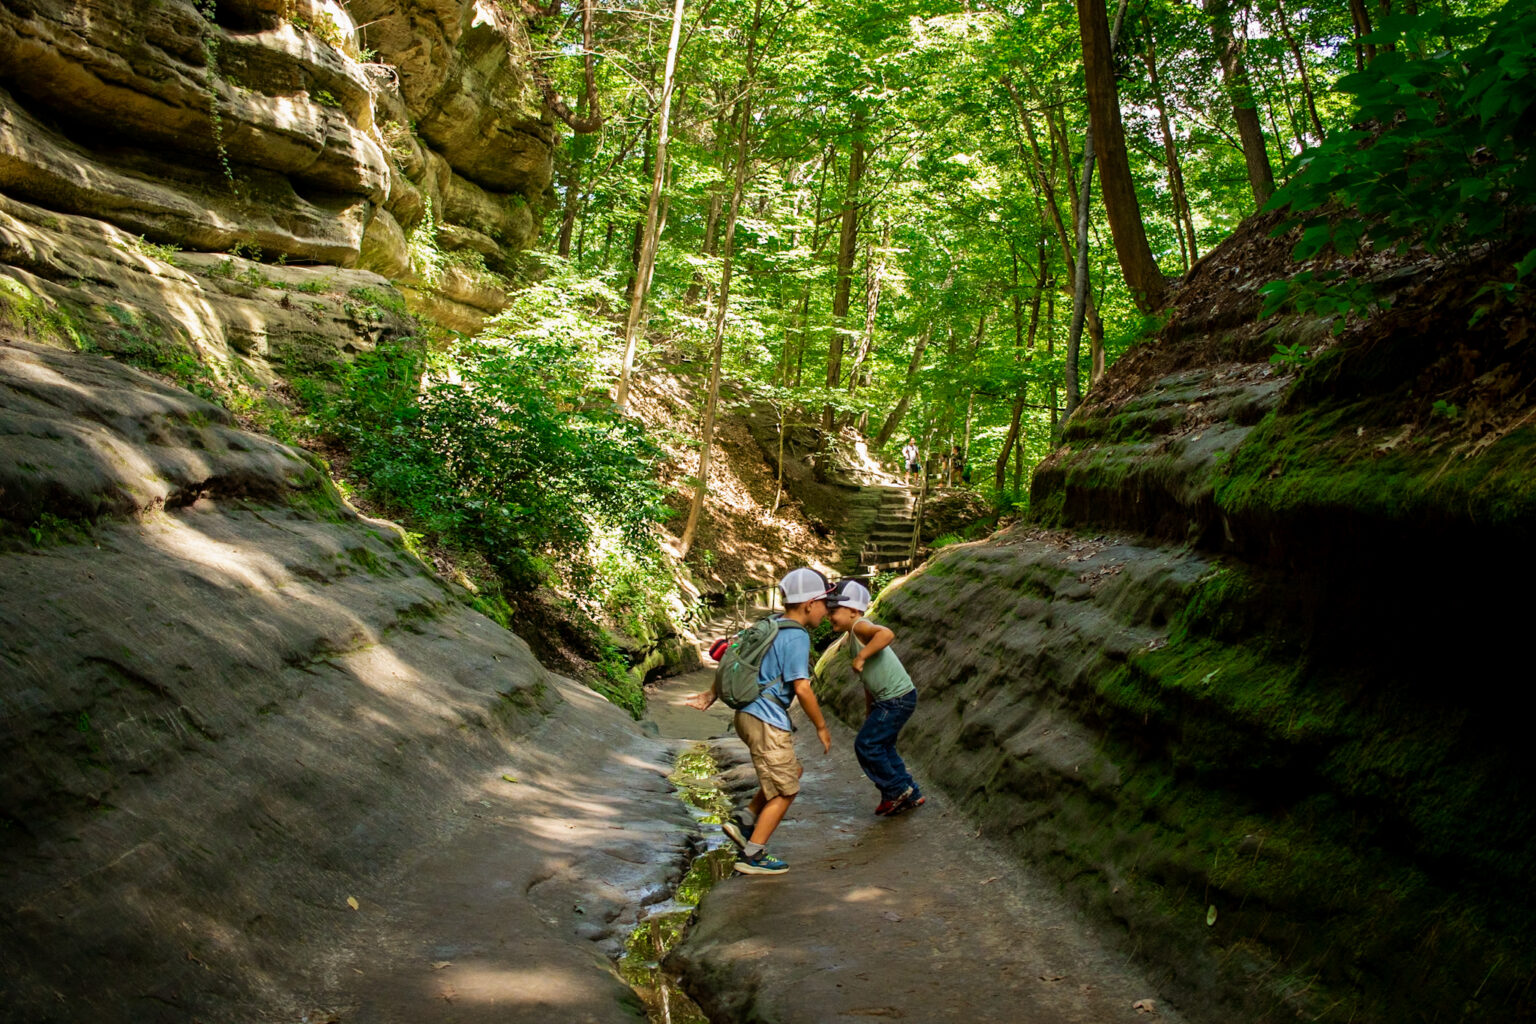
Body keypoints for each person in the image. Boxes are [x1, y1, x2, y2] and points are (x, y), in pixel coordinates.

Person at [685, 568, 834, 874]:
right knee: (786, 790)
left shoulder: (770, 624)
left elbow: (733, 658)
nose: (827, 609)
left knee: (791, 771)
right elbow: (802, 687)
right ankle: (753, 854)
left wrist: (712, 693)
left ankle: (745, 820)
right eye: (824, 602)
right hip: (767, 719)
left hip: (747, 715)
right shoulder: (797, 636)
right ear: (809, 604)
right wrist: (821, 726)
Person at [825, 579, 924, 816]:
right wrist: (871, 709)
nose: (829, 617)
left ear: (853, 610)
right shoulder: (852, 635)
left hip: (896, 699)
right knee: (883, 746)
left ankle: (896, 791)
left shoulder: (860, 626)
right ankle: (910, 792)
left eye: (833, 611)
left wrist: (861, 657)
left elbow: (886, 634)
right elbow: (868, 679)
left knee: (866, 745)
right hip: (894, 699)